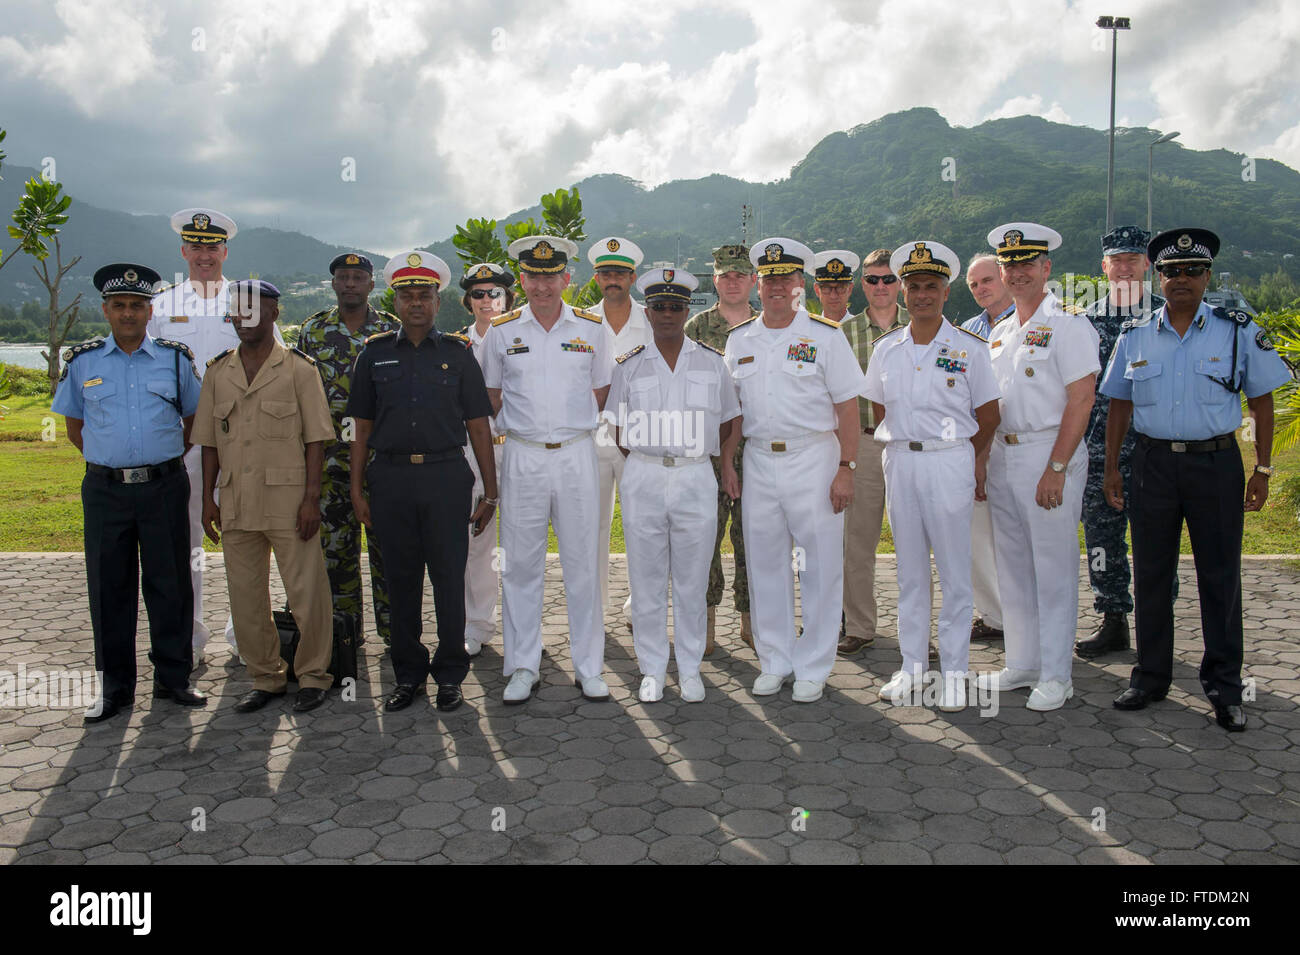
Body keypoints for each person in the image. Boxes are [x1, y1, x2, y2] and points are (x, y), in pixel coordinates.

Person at [1101, 228, 1291, 732]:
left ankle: (1225, 688)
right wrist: (1113, 466)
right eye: (1171, 271)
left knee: (1220, 576)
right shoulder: (1135, 335)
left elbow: (1262, 402)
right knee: (1151, 573)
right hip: (1153, 465)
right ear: (1159, 279)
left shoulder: (1237, 331)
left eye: (1192, 271)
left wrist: (1263, 468)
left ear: (1207, 277)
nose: (1181, 279)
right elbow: (1119, 404)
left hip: (1216, 464)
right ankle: (1150, 677)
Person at [54, 264, 207, 723]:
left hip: (164, 486)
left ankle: (174, 679)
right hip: (106, 491)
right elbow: (76, 428)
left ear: (149, 311)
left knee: (171, 583)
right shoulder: (82, 362)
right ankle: (114, 689)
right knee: (109, 587)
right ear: (105, 310)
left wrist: (160, 461)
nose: (127, 313)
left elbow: (193, 421)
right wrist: (113, 461)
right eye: (118, 305)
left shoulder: (174, 359)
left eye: (136, 305)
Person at [347, 252, 497, 713]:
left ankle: (450, 674)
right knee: (401, 581)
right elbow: (361, 427)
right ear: (395, 301)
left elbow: (478, 426)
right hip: (390, 479)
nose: (416, 303)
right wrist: (356, 488)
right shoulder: (374, 353)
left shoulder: (457, 354)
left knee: (449, 579)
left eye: (424, 295)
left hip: (446, 477)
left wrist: (491, 492)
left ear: (438, 301)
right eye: (408, 295)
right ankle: (408, 674)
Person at [719, 237, 865, 703]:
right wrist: (729, 461)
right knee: (765, 564)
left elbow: (847, 407)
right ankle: (775, 659)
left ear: (799, 283)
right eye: (769, 279)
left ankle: (814, 664)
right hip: (760, 459)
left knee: (819, 565)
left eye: (785, 278)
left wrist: (846, 467)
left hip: (814, 457)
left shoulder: (825, 336)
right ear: (758, 285)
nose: (777, 287)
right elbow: (734, 411)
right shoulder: (740, 339)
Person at [480, 235, 614, 704]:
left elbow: (602, 391)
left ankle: (589, 667)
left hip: (576, 453)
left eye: (551, 277)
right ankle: (523, 666)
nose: (542, 286)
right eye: (533, 277)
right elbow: (491, 396)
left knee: (583, 562)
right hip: (524, 455)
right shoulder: (501, 331)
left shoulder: (592, 328)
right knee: (520, 564)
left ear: (566, 279)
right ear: (521, 280)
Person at [868, 243, 1000, 711]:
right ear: (903, 292)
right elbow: (880, 409)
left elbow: (988, 414)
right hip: (901, 460)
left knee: (954, 572)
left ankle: (956, 671)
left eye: (931, 287)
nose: (921, 295)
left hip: (949, 461)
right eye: (914, 287)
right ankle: (912, 667)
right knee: (909, 572)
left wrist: (965, 455)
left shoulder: (969, 348)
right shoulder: (886, 349)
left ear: (946, 293)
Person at [193, 280, 335, 714]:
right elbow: (209, 442)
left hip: (289, 502)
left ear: (274, 313)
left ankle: (313, 675)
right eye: (236, 311)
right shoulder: (218, 372)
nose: (243, 319)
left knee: (307, 593)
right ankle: (266, 677)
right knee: (245, 596)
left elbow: (316, 440)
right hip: (237, 500)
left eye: (253, 310)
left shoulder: (299, 369)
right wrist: (208, 500)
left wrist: (311, 500)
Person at [148, 208, 282, 665]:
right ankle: (189, 638)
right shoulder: (161, 306)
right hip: (182, 439)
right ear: (183, 251)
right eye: (195, 247)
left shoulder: (247, 301)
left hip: (243, 438)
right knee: (181, 542)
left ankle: (245, 634)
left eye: (213, 247)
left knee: (248, 537)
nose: (204, 255)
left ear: (225, 251)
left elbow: (275, 363)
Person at [609, 267, 741, 703]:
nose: (667, 313)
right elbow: (618, 429)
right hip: (644, 474)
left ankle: (689, 668)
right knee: (646, 580)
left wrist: (719, 462)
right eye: (660, 306)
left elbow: (731, 420)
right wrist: (649, 456)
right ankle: (651, 669)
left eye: (676, 307)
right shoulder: (628, 366)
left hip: (694, 475)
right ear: (647, 312)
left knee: (691, 580)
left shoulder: (712, 361)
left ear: (687, 311)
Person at [983, 222, 1099, 712]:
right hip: (1004, 455)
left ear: (1046, 268)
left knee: (1052, 569)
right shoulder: (1001, 332)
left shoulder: (1070, 324)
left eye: (1027, 263)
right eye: (1009, 265)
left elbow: (1082, 398)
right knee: (1012, 567)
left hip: (1049, 452)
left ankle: (1056, 674)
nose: (1018, 272)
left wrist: (1057, 466)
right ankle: (1024, 661)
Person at [297, 253, 399, 649]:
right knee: (335, 556)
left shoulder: (390, 329)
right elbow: (301, 398)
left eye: (358, 277)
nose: (351, 283)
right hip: (328, 463)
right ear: (334, 283)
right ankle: (344, 637)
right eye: (344, 277)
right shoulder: (313, 331)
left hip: (380, 461)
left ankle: (394, 635)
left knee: (388, 553)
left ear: (372, 284)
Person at [1075, 226, 1162, 659]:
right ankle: (1112, 619)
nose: (1125, 267)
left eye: (1132, 259)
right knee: (1101, 541)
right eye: (1117, 261)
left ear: (1147, 264)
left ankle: (1157, 624)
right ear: (1104, 267)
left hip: (1153, 451)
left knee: (1156, 541)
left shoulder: (1166, 315)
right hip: (1099, 453)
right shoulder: (1085, 322)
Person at [836, 249, 912, 657]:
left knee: (913, 543)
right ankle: (860, 626)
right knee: (857, 542)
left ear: (899, 282)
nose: (880, 286)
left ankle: (917, 632)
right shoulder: (842, 334)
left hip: (909, 444)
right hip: (864, 443)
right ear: (861, 284)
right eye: (872, 279)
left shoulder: (922, 324)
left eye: (888, 279)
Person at [685, 244, 758, 653]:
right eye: (725, 275)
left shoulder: (767, 327)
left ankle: (751, 621)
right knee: (705, 540)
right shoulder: (695, 329)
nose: (732, 281)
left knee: (753, 540)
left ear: (753, 281)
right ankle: (706, 623)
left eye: (740, 275)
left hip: (757, 451)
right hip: (709, 453)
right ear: (714, 280)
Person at [587, 237, 650, 633]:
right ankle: (593, 607)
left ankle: (637, 606)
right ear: (596, 278)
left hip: (637, 438)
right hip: (590, 437)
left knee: (640, 526)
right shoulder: (580, 323)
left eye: (620, 274)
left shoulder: (652, 321)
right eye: (606, 273)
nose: (613, 280)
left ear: (633, 277)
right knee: (590, 527)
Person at [457, 261, 513, 657]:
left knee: (522, 544)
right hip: (476, 454)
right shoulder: (457, 346)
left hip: (521, 449)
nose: (487, 300)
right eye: (478, 294)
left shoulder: (523, 336)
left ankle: (524, 628)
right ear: (468, 301)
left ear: (508, 298)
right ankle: (477, 625)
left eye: (495, 293)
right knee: (478, 542)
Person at [961, 252, 1016, 644]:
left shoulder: (1029, 321)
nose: (981, 289)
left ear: (1004, 277)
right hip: (980, 443)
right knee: (978, 536)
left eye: (987, 280)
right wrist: (976, 455)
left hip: (1021, 441)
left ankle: (1025, 615)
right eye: (974, 284)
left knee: (1017, 537)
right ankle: (994, 616)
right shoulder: (968, 332)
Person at [812, 250, 859, 324]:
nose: (833, 296)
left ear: (850, 289)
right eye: (826, 288)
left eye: (840, 287)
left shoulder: (863, 329)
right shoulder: (806, 330)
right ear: (817, 290)